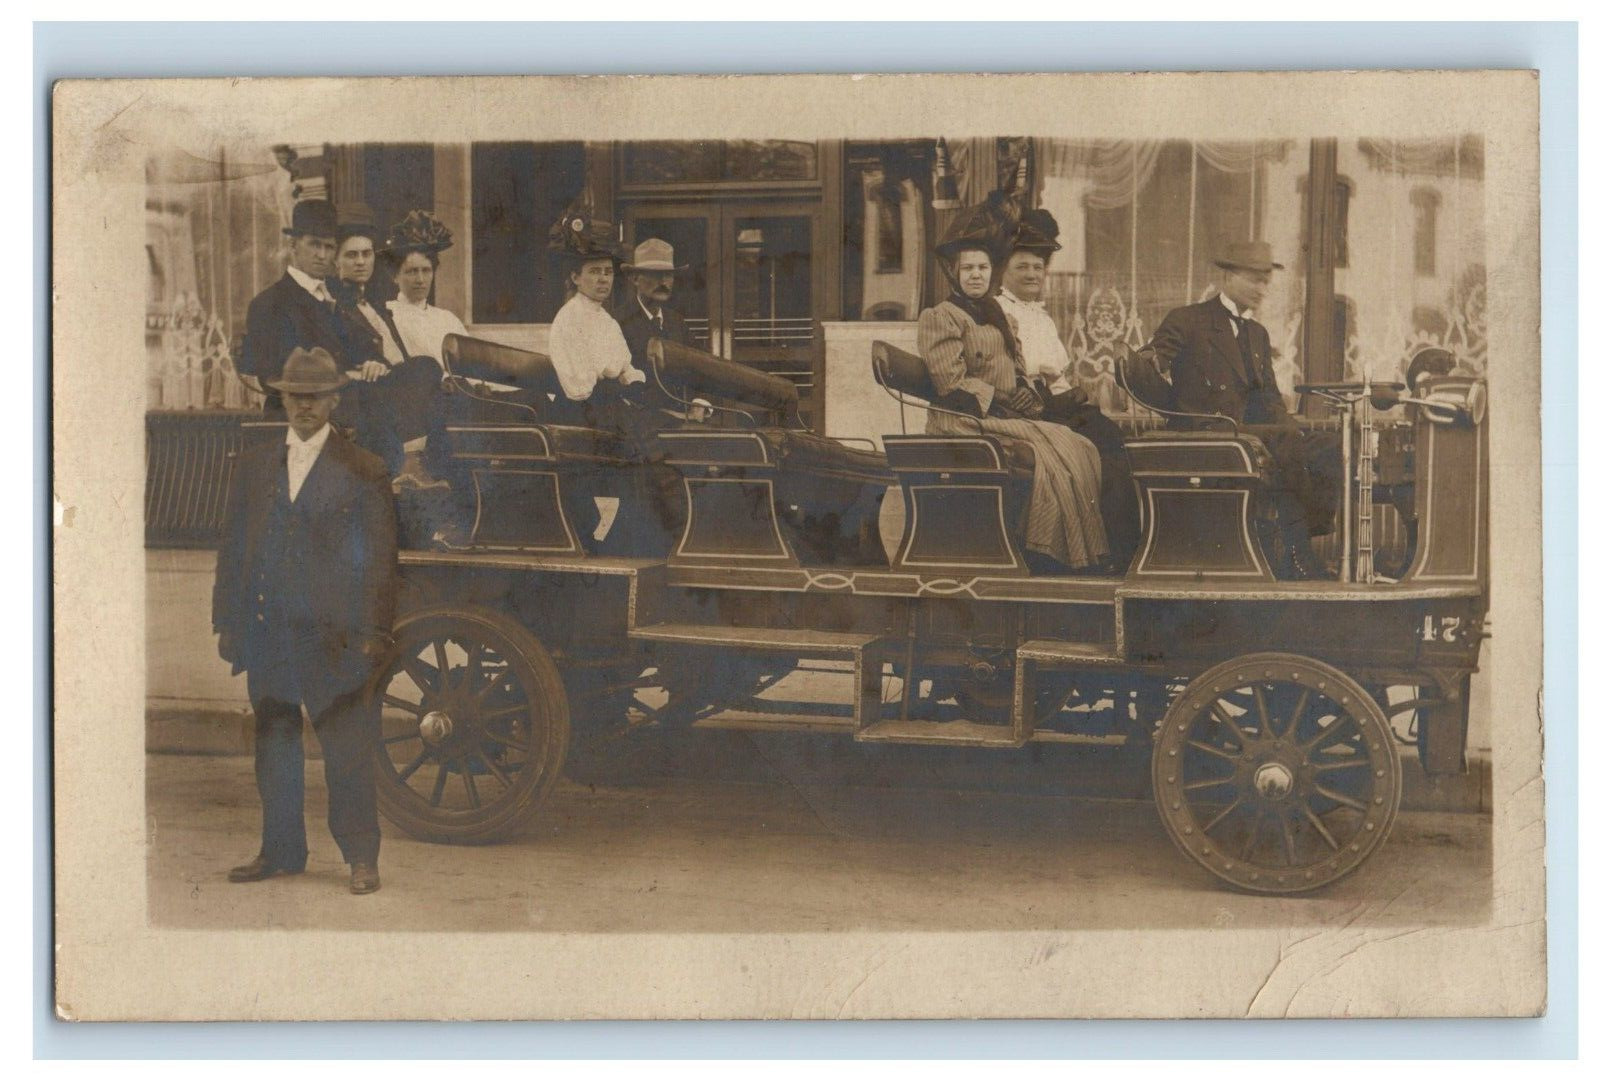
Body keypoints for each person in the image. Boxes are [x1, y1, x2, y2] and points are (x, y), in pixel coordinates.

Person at [212, 347, 398, 895]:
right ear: (282, 399)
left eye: (315, 397)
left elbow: (382, 562)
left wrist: (372, 635)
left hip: (334, 638)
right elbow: (234, 547)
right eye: (295, 397)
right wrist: (227, 621)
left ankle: (362, 857)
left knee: (346, 749)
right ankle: (281, 851)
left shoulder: (363, 469)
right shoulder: (254, 465)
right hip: (268, 631)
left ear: (334, 400)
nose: (304, 407)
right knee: (274, 744)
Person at [917, 201, 1110, 574]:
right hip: (962, 417)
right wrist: (1004, 396)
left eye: (983, 268)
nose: (976, 275)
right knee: (1054, 448)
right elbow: (950, 384)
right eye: (968, 268)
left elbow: (1016, 367)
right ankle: (1045, 549)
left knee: (1080, 444)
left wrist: (1023, 388)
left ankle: (1079, 551)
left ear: (993, 272)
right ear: (954, 273)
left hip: (1000, 413)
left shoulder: (995, 317)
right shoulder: (941, 317)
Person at [1148, 239, 1342, 578]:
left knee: (1330, 446)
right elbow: (1144, 370)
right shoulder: (1188, 321)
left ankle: (1302, 539)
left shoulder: (1257, 334)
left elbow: (1270, 399)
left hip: (1254, 435)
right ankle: (1297, 554)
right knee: (1289, 445)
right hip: (1210, 435)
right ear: (1226, 277)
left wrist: (1290, 427)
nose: (1262, 288)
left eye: (1266, 280)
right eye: (1254, 278)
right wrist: (1175, 410)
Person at [995, 208, 1141, 570]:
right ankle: (1109, 554)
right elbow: (1014, 373)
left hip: (1056, 400)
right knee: (1103, 449)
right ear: (1003, 272)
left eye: (1038, 268)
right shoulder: (998, 312)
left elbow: (1058, 373)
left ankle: (1121, 549)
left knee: (1117, 443)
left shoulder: (1040, 315)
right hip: (1028, 405)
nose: (1032, 274)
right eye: (1022, 267)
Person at [545, 203, 682, 552]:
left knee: (663, 430)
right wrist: (621, 389)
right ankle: (654, 528)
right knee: (645, 444)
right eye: (594, 272)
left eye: (607, 272)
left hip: (607, 406)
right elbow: (578, 388)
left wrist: (632, 383)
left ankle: (663, 528)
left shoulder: (606, 321)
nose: (603, 280)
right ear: (576, 277)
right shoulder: (568, 318)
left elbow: (626, 368)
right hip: (581, 411)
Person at [238, 200, 350, 417]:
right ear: (293, 245)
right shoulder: (269, 304)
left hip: (339, 418)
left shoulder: (339, 298)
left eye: (329, 247)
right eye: (314, 244)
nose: (322, 255)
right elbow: (273, 379)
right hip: (294, 421)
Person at [616, 237, 693, 369]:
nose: (663, 282)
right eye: (655, 274)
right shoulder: (618, 322)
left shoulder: (677, 321)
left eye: (668, 275)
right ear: (635, 279)